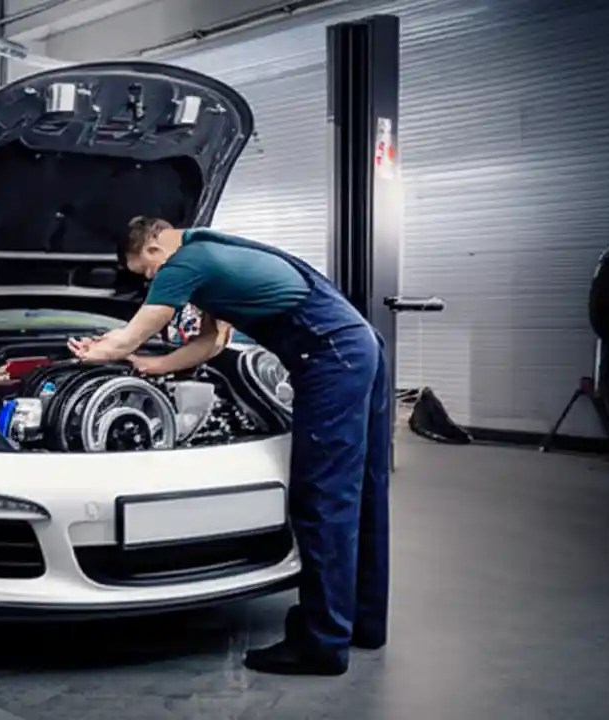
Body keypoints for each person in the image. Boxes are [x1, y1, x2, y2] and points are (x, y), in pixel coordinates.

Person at [70, 217, 391, 677]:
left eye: (145, 271)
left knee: (322, 497)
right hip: (359, 345)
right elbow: (211, 342)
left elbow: (130, 334)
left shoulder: (185, 263)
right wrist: (154, 367)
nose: (151, 281)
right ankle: (363, 622)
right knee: (363, 490)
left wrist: (93, 351)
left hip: (330, 355)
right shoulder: (215, 254)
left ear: (157, 247)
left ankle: (320, 643)